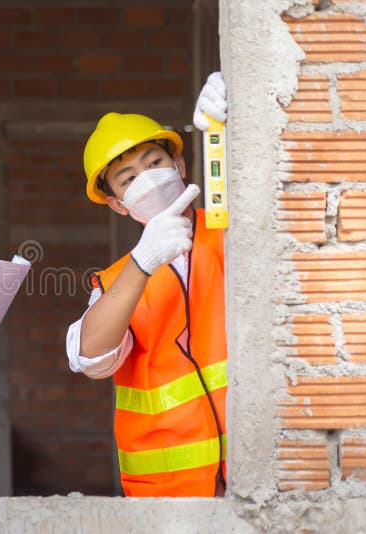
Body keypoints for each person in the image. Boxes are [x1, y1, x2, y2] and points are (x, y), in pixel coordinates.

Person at [65, 73, 229, 497]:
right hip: (171, 499)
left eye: (154, 163)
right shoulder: (119, 279)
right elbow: (92, 358)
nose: (147, 178)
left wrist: (224, 137)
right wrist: (144, 261)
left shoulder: (227, 230)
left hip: (261, 476)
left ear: (178, 166)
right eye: (128, 178)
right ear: (118, 204)